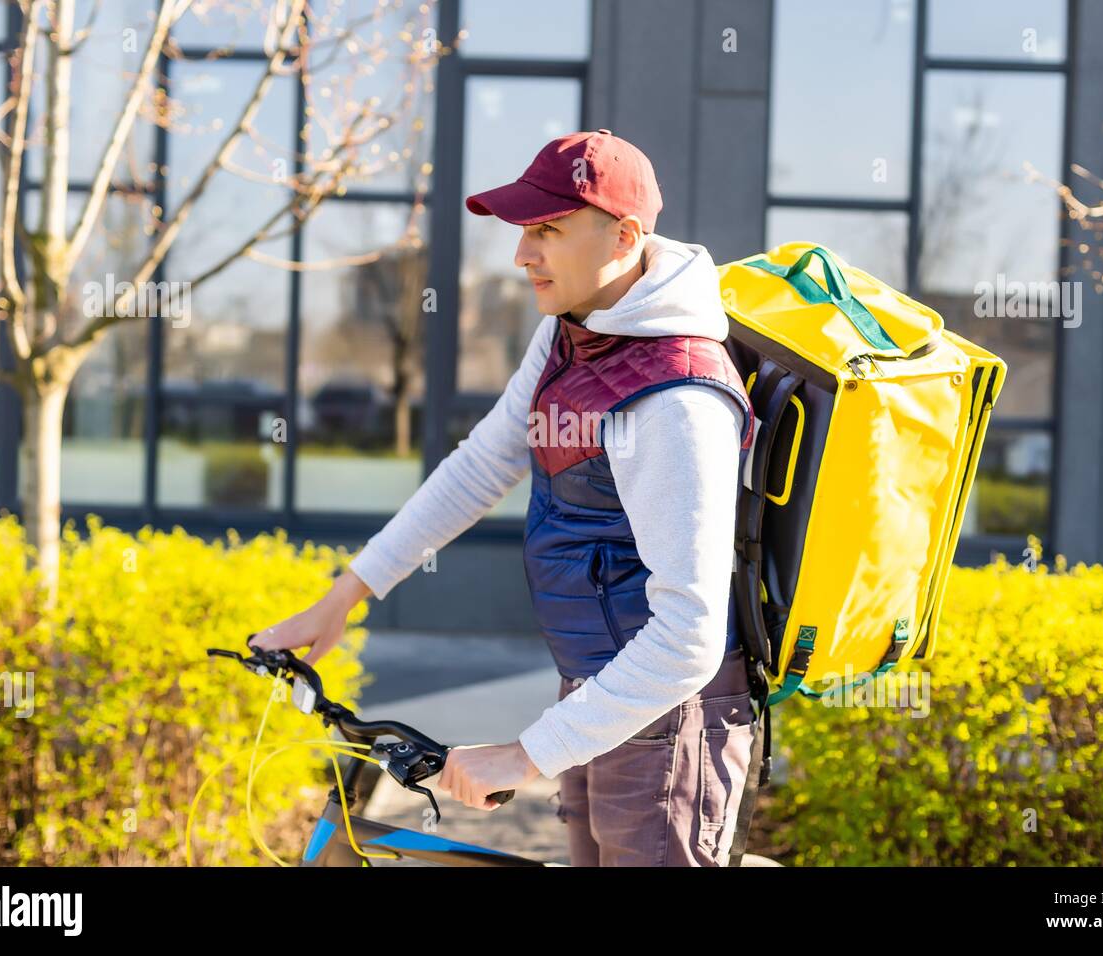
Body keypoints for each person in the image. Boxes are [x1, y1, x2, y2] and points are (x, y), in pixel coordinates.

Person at [253, 129, 758, 866]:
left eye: (548, 230)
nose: (523, 255)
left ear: (623, 236)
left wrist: (524, 755)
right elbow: (484, 462)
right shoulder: (573, 332)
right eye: (524, 231)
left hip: (668, 727)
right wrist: (347, 595)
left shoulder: (675, 398)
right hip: (598, 694)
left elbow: (689, 635)